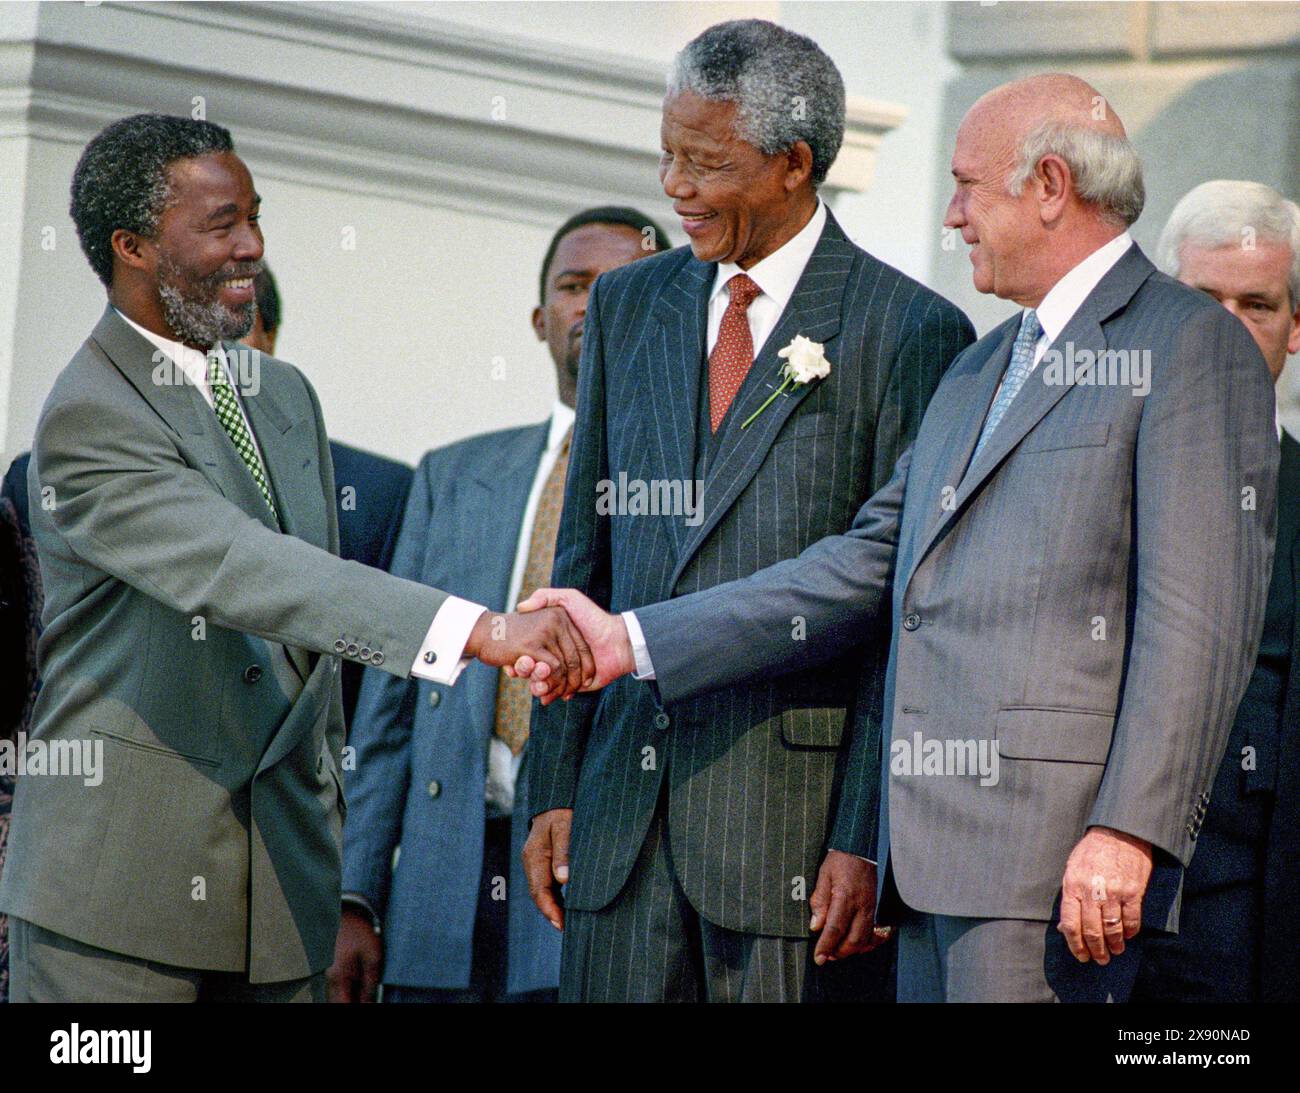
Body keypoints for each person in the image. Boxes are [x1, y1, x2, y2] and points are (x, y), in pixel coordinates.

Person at [519, 73, 1279, 1002]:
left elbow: (1198, 627)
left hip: (1061, 870)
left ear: (1049, 186)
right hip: (930, 873)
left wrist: (1131, 832)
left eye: (967, 186)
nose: (951, 215)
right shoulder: (979, 367)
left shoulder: (1190, 344)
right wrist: (630, 640)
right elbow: (858, 567)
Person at [0, 113, 593, 1002]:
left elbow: (312, 642)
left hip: (282, 898)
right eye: (221, 224)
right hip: (118, 910)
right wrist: (482, 629)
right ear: (132, 245)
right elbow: (251, 571)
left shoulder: (280, 393)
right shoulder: (90, 416)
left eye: (256, 217)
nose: (252, 248)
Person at [521, 20, 975, 1003]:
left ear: (793, 165)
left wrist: (865, 835)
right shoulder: (628, 305)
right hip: (616, 829)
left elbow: (900, 608)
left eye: (705, 162)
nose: (674, 187)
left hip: (793, 846)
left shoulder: (908, 329)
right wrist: (555, 783)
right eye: (666, 154)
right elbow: (580, 561)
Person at [329, 207, 669, 1004]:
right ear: (540, 316)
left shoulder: (684, 487)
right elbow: (389, 706)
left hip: (591, 881)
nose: (590, 304)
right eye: (573, 286)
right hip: (439, 889)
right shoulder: (453, 475)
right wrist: (357, 892)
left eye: (617, 287)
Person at [1130, 180, 1300, 1003]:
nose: (1229, 327)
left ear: (1296, 327)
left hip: (1241, 917)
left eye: (1257, 304)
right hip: (1067, 896)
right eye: (1205, 299)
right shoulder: (1081, 467)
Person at [241, 266, 415, 730]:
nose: (207, 356)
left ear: (268, 339)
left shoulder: (381, 496)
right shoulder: (57, 478)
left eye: (229, 329)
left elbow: (386, 700)